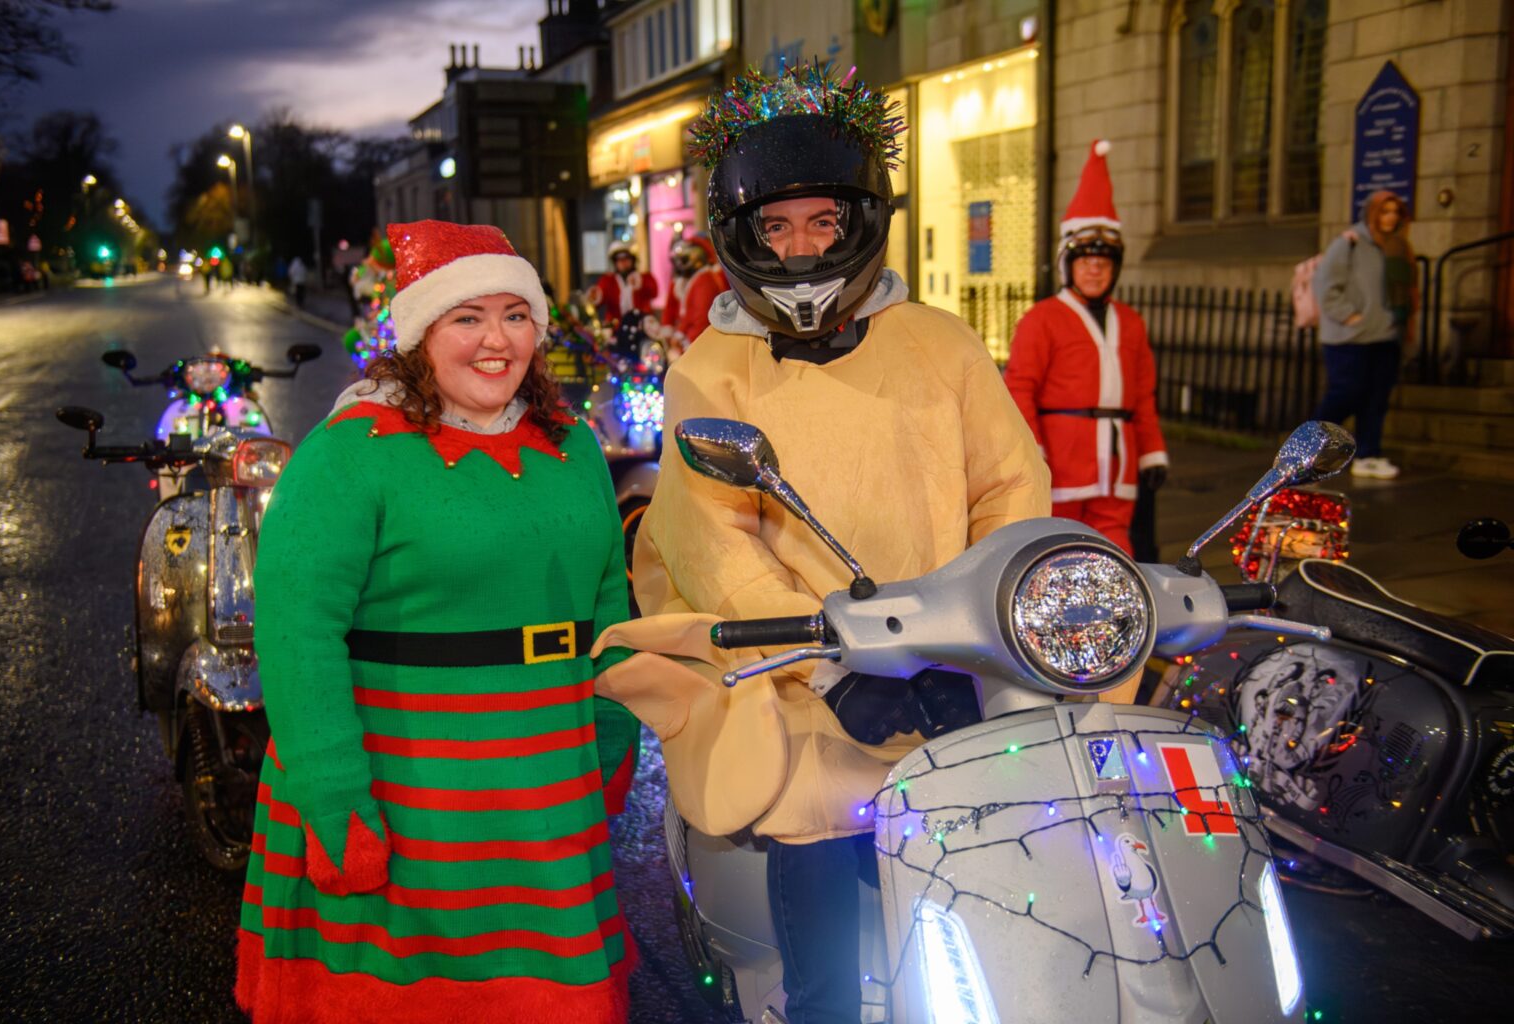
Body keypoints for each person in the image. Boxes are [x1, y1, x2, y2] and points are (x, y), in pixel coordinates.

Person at [589, 65, 1049, 1024]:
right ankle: (817, 1003)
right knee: (819, 826)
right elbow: (713, 539)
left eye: (823, 223)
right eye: (778, 227)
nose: (802, 247)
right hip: (798, 663)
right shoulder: (712, 366)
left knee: (1009, 839)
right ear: (744, 238)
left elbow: (1009, 486)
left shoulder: (941, 342)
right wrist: (835, 674)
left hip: (949, 656)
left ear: (860, 222)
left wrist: (983, 636)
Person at [236, 220, 639, 1024]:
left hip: (546, 792)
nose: (497, 341)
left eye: (516, 315)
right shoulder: (350, 453)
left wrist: (613, 717)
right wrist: (333, 795)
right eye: (469, 318)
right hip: (406, 786)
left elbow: (607, 602)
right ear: (421, 334)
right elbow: (296, 630)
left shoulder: (574, 447)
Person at [1004, 140, 1169, 558]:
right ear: (1068, 264)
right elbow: (1020, 388)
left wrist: (1151, 451)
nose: (1095, 268)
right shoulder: (1042, 319)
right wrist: (1032, 451)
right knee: (1059, 544)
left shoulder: (1131, 322)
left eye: (1104, 261)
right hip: (1063, 456)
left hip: (1117, 459)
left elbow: (1143, 395)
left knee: (1117, 545)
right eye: (1085, 260)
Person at [1313, 189, 1416, 480]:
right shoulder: (1350, 243)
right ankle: (1308, 450)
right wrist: (1351, 316)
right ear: (1372, 213)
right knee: (1345, 393)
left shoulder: (1397, 246)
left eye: (1395, 212)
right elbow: (1325, 285)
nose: (1391, 217)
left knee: (1376, 399)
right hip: (1350, 339)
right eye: (1385, 211)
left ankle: (1369, 455)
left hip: (1385, 336)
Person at [657, 231, 726, 355]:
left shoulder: (705, 279)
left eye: (682, 261)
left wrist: (683, 338)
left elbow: (700, 316)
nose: (679, 266)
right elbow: (672, 309)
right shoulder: (685, 280)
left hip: (699, 341)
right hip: (686, 338)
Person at [587, 240, 658, 325]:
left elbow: (654, 293)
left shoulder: (645, 277)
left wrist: (641, 284)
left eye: (626, 259)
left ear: (633, 260)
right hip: (616, 326)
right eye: (619, 260)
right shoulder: (608, 280)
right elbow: (599, 300)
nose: (623, 263)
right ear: (615, 262)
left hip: (642, 325)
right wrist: (595, 296)